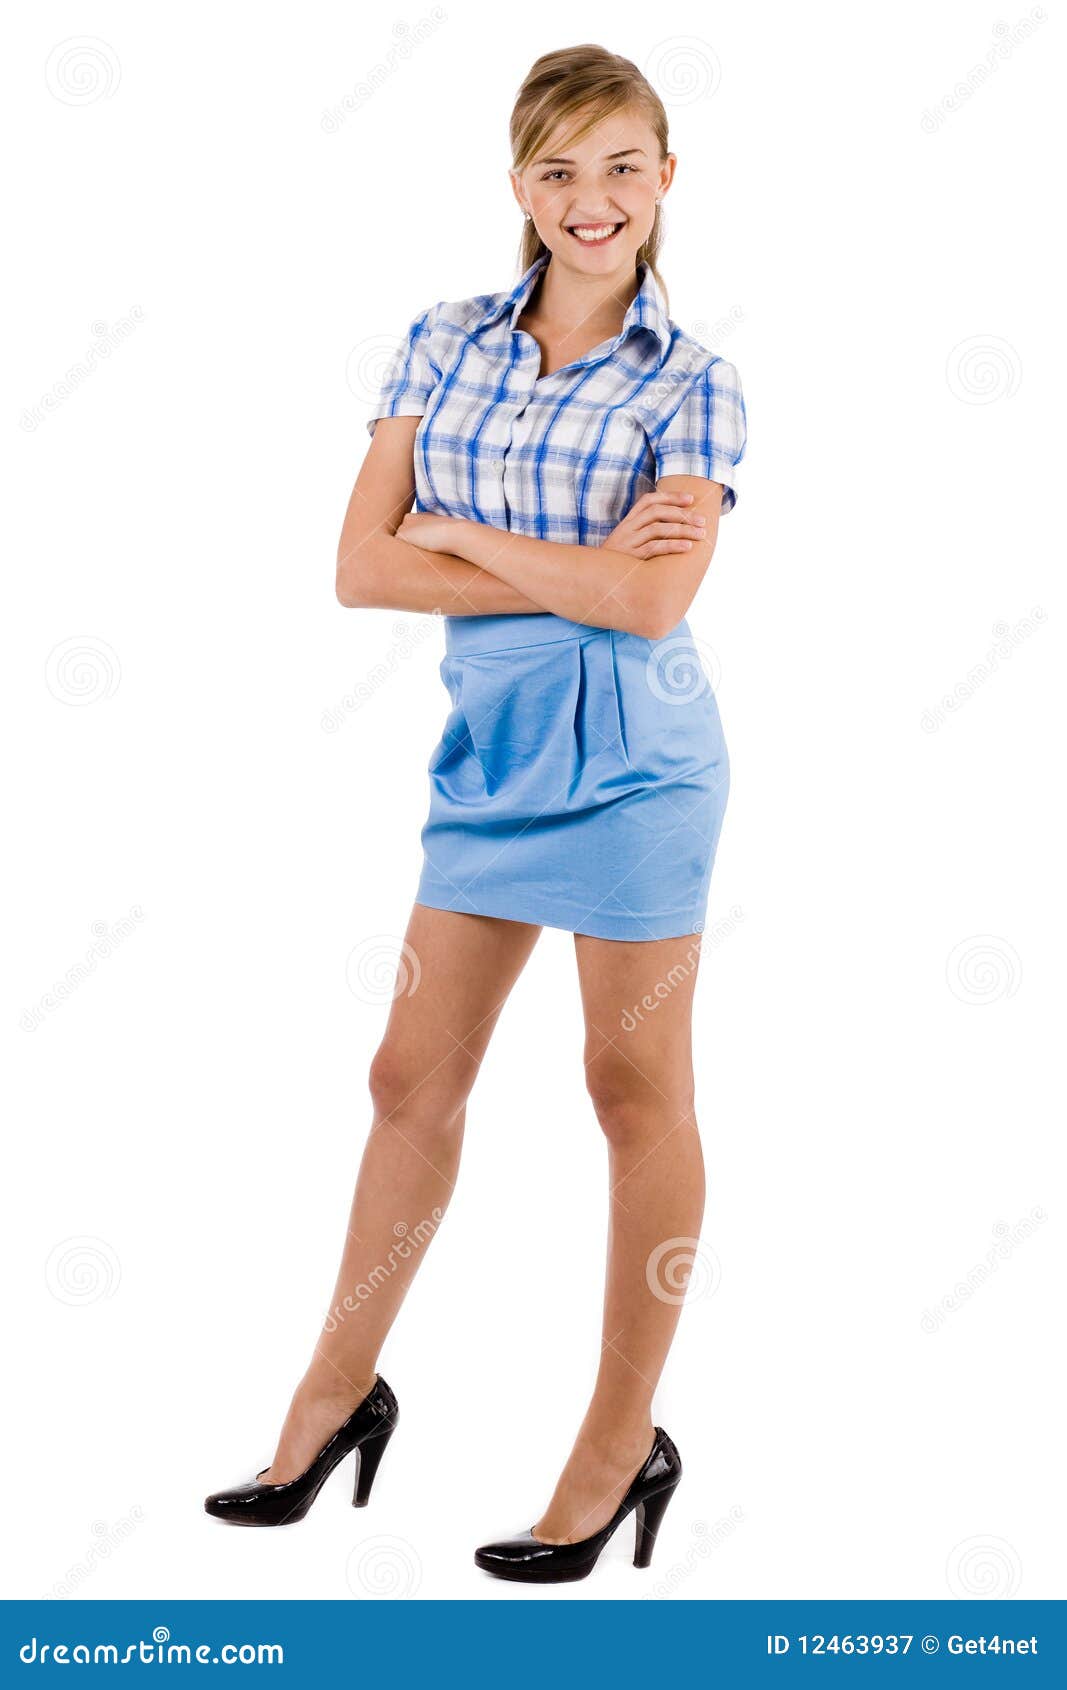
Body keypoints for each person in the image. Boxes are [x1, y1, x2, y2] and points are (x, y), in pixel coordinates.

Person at [205, 42, 747, 1584]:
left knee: (631, 1088)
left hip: (644, 764)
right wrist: (555, 561)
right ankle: (331, 1398)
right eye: (562, 172)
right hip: (492, 760)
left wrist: (461, 526)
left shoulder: (695, 382)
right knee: (404, 1076)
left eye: (624, 166)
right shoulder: (443, 340)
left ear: (665, 176)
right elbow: (359, 566)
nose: (595, 201)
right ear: (521, 185)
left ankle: (615, 1443)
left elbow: (654, 609)